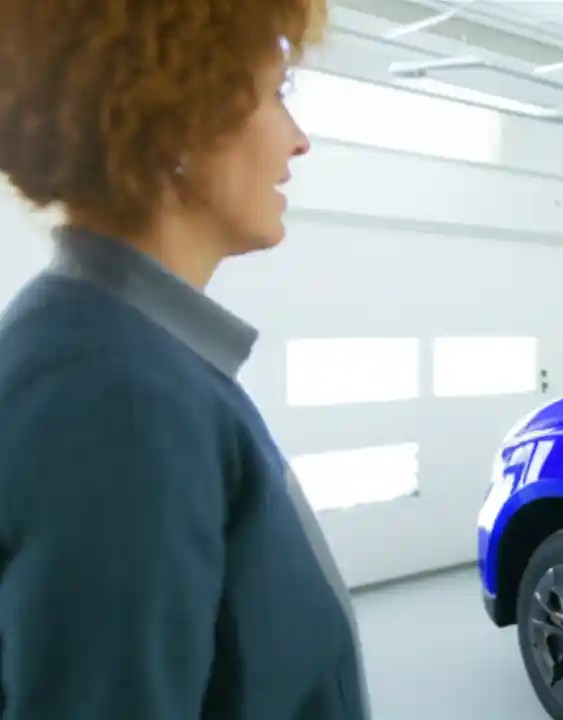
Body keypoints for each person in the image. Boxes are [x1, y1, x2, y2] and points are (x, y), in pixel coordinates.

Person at [0, 2, 370, 718]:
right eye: (276, 95)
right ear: (180, 118)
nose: (299, 141)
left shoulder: (110, 350)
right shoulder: (118, 399)